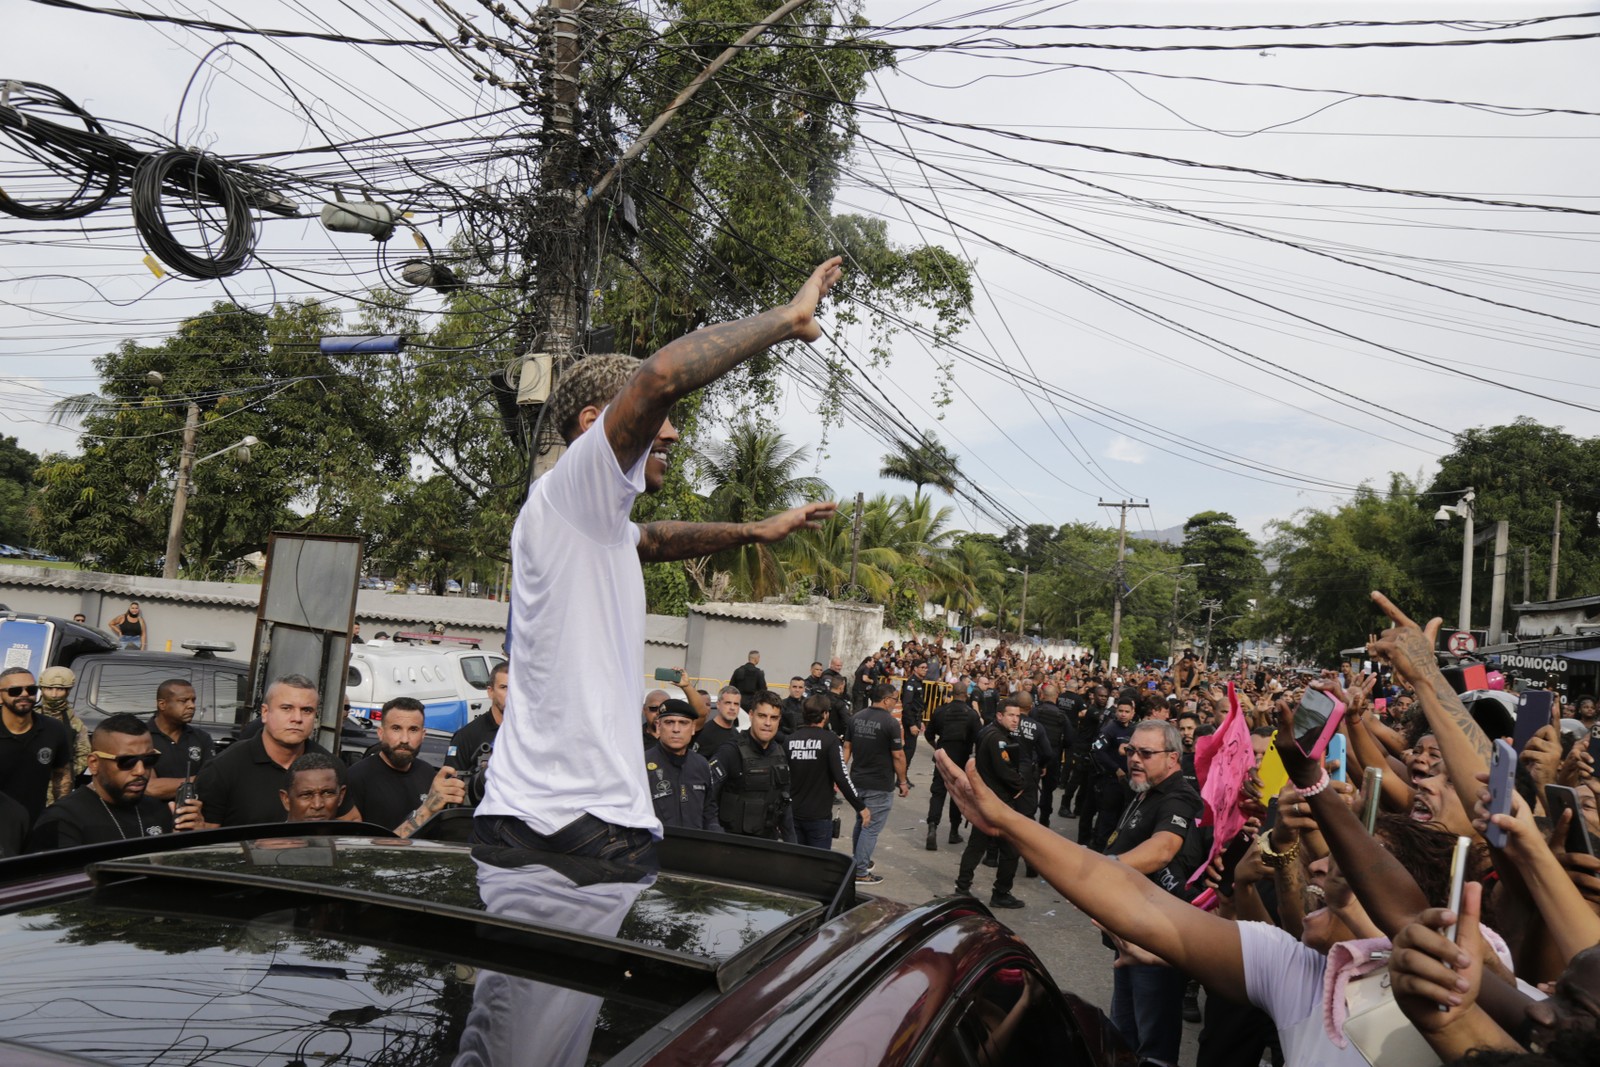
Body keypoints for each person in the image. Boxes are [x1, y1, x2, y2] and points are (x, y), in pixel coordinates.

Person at [473, 258, 841, 864]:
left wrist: (753, 529)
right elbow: (660, 375)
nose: (669, 434)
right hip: (577, 821)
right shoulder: (576, 484)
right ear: (595, 426)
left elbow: (656, 539)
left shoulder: (595, 526)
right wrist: (789, 319)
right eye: (656, 423)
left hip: (532, 815)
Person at [1101, 719, 1203, 1066]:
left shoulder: (1178, 797)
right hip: (1129, 934)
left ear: (1173, 758)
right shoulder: (1145, 789)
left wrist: (1104, 871)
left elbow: (1162, 850)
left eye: (1146, 753)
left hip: (1156, 940)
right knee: (1123, 1037)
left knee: (1152, 1045)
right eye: (1131, 750)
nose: (1134, 759)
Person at [26, 714, 204, 849]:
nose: (141, 771)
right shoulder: (62, 820)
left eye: (149, 760)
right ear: (94, 764)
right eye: (127, 761)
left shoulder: (161, 811)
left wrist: (191, 841)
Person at [195, 674, 350, 826]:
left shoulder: (330, 767)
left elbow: (351, 822)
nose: (297, 718)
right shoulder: (223, 768)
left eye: (307, 710)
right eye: (286, 708)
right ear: (265, 713)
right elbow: (206, 837)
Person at [346, 697, 464, 832]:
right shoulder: (356, 778)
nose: (405, 739)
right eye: (396, 729)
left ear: (423, 734)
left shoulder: (427, 772)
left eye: (413, 730)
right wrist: (426, 810)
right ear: (381, 733)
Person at [954, 698, 1028, 910]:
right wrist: (1020, 783)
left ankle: (962, 887)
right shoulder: (996, 738)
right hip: (997, 802)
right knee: (1010, 850)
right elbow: (1004, 770)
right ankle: (1001, 893)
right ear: (999, 716)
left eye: (1018, 716)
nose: (1016, 720)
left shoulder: (990, 732)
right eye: (1011, 716)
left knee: (977, 846)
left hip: (987, 799)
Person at [845, 682, 908, 886]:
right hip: (878, 784)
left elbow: (847, 747)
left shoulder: (856, 717)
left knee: (861, 822)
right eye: (895, 700)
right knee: (870, 827)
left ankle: (858, 862)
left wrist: (842, 775)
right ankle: (861, 871)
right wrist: (903, 781)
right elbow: (898, 755)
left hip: (857, 781)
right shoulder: (890, 723)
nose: (896, 704)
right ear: (886, 699)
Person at [787, 693, 867, 849]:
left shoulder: (790, 740)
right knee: (819, 865)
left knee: (795, 862)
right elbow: (842, 777)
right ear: (825, 714)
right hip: (819, 817)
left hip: (793, 814)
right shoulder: (830, 741)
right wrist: (860, 806)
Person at [711, 693, 793, 840]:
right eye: (762, 716)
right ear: (751, 715)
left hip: (767, 845)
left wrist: (794, 849)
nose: (768, 723)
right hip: (733, 845)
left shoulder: (781, 754)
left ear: (779, 720)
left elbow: (785, 807)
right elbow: (707, 801)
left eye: (773, 718)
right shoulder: (730, 752)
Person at [0, 667, 73, 824]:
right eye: (15, 691)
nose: (25, 694)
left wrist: (60, 813)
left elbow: (61, 774)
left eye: (31, 689)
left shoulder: (54, 728)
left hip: (37, 823)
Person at [643, 699, 719, 831]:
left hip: (695, 848)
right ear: (658, 727)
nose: (676, 729)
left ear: (693, 728)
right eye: (669, 722)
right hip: (656, 848)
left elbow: (709, 811)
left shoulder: (701, 764)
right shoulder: (642, 765)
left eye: (683, 723)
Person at [925, 686, 984, 850]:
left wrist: (937, 747)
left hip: (943, 757)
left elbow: (928, 734)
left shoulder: (940, 711)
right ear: (966, 695)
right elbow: (980, 739)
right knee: (958, 795)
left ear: (952, 694)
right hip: (961, 759)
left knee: (938, 792)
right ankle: (953, 831)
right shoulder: (972, 714)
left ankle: (932, 827)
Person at [145, 678, 216, 801]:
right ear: (162, 704)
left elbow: (212, 780)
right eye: (184, 701)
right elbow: (150, 787)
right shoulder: (142, 737)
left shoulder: (201, 738)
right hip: (152, 816)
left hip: (193, 814)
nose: (192, 706)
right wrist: (196, 781)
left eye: (193, 700)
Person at [1085, 689, 1138, 851]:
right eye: (1120, 711)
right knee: (1107, 819)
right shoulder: (1110, 728)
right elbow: (1097, 750)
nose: (1123, 714)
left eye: (1126, 712)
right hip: (1111, 781)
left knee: (1123, 821)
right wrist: (1116, 769)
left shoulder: (1136, 730)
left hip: (1130, 783)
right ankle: (1099, 850)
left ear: (1132, 713)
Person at [448, 661, 507, 775]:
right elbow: (451, 784)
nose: (511, 694)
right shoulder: (466, 736)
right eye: (504, 687)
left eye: (516, 688)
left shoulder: (533, 734)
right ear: (490, 692)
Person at [36, 665, 90, 777]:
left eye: (60, 689)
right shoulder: (29, 716)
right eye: (49, 688)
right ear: (42, 689)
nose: (54, 694)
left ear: (67, 691)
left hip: (59, 785)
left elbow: (84, 753)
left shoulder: (74, 722)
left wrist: (67, 773)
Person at [280, 752, 347, 822]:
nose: (317, 805)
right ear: (286, 800)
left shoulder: (353, 832)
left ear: (341, 796)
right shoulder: (271, 833)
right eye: (306, 795)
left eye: (327, 793)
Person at [694, 686, 744, 758]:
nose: (732, 708)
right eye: (728, 703)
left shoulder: (736, 734)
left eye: (736, 704)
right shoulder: (704, 732)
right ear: (718, 704)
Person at [899, 661, 929, 762]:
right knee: (909, 749)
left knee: (910, 750)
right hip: (911, 718)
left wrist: (920, 721)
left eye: (926, 667)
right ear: (915, 669)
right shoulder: (911, 683)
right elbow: (907, 705)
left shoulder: (919, 682)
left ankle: (902, 774)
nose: (925, 669)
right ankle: (902, 775)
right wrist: (912, 724)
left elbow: (918, 704)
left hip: (916, 718)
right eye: (922, 667)